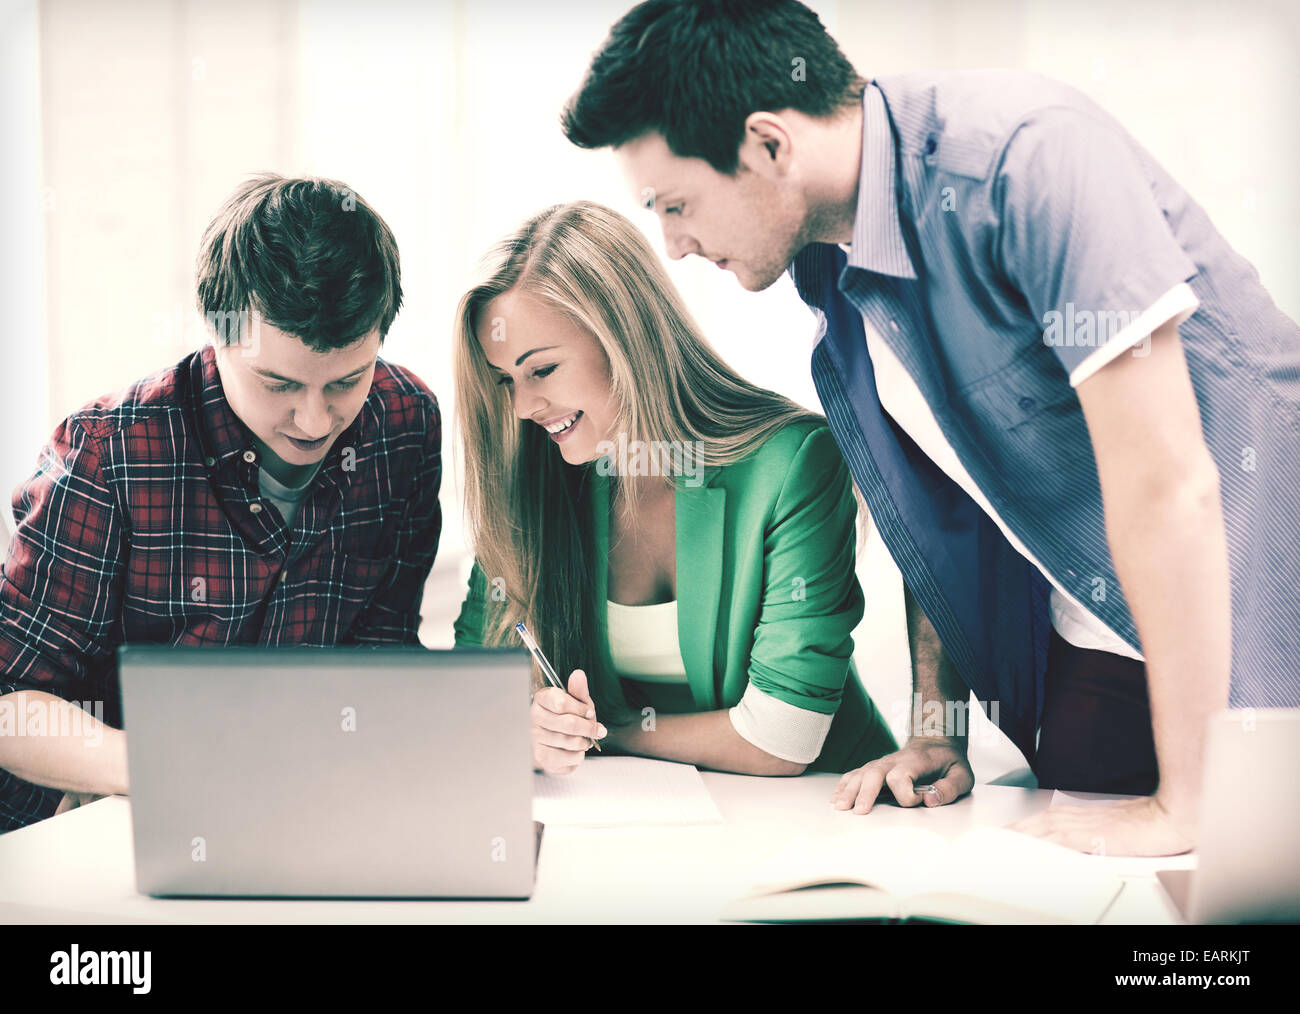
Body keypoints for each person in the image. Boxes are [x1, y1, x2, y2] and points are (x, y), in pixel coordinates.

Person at [560, 0, 1300, 854]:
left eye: (676, 204)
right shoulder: (831, 279)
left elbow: (1169, 483)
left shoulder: (1027, 159)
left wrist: (1194, 796)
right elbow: (936, 513)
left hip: (1259, 606)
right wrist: (938, 729)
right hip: (1104, 651)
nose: (674, 244)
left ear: (770, 143)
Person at [0, 173, 443, 832]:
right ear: (218, 334)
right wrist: (152, 768)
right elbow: (15, 703)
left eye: (347, 381)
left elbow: (381, 654)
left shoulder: (404, 423)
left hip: (299, 814)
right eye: (278, 383)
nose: (315, 421)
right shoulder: (110, 452)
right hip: (87, 827)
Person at [452, 200, 896, 776]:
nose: (523, 407)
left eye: (542, 371)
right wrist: (528, 728)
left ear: (624, 338)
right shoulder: (530, 480)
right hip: (633, 822)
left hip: (826, 814)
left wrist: (601, 730)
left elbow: (784, 737)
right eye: (504, 381)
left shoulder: (793, 463)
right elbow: (467, 700)